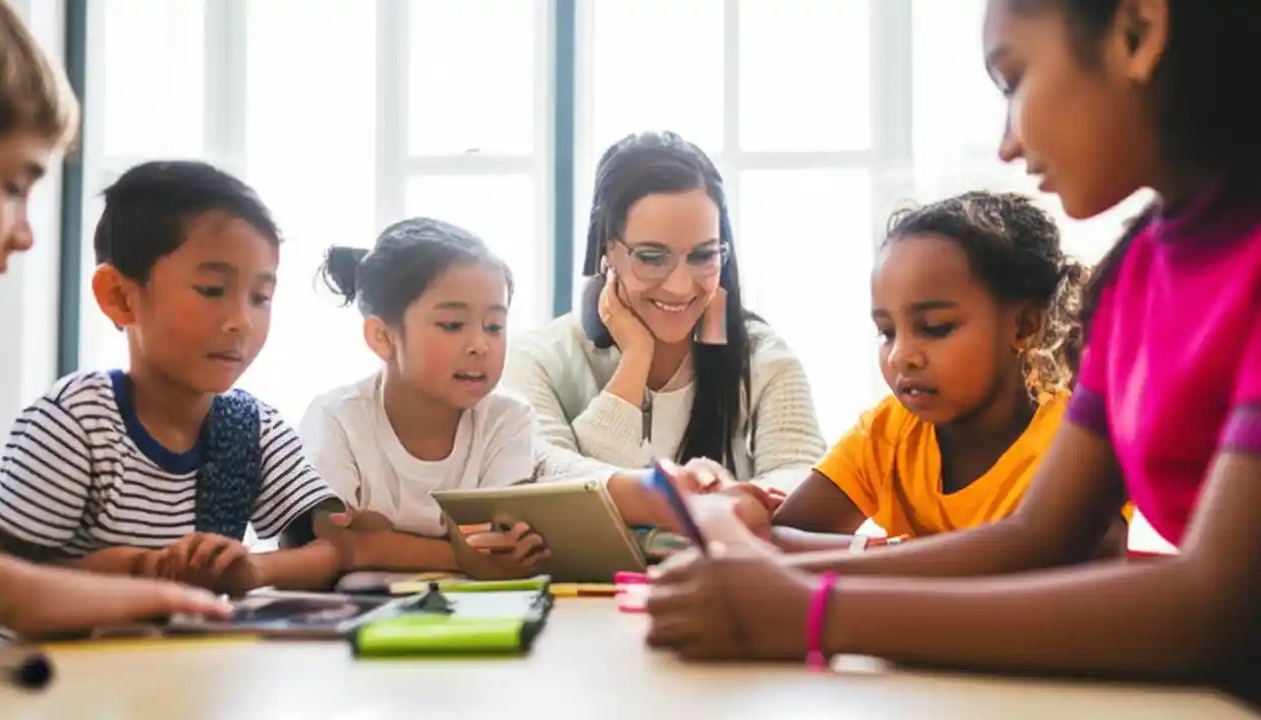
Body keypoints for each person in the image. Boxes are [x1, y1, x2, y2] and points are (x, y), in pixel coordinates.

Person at [645, 0, 1259, 687]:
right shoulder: (1135, 277)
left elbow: (1221, 606)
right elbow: (1036, 537)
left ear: (1138, 33)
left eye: (1014, 80)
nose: (1008, 144)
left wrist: (814, 611)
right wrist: (768, 575)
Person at [0, 161, 355, 619]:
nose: (241, 320)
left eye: (260, 297)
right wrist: (132, 568)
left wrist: (253, 571)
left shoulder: (252, 429)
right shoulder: (76, 422)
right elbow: (1, 578)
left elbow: (334, 549)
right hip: (46, 676)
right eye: (212, 288)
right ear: (119, 296)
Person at [0, 0, 227, 643]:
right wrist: (22, 590)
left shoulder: (241, 425)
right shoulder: (73, 416)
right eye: (14, 185)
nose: (27, 235)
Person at [770, 191, 1127, 555]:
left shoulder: (1076, 438)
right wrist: (885, 551)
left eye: (935, 327)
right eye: (887, 332)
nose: (900, 356)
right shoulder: (888, 432)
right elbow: (778, 537)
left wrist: (888, 559)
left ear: (1022, 325)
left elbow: (1087, 564)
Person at [504, 131, 823, 526]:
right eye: (652, 257)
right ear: (607, 250)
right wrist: (635, 360)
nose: (680, 285)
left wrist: (721, 500)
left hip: (727, 583)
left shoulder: (763, 357)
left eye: (703, 256)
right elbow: (553, 483)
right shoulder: (536, 359)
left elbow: (804, 481)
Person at [299, 218, 549, 578]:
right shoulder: (337, 418)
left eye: (494, 326)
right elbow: (333, 542)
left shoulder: (506, 419)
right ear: (382, 337)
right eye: (452, 325)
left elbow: (497, 544)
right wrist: (461, 556)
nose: (481, 345)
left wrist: (377, 541)